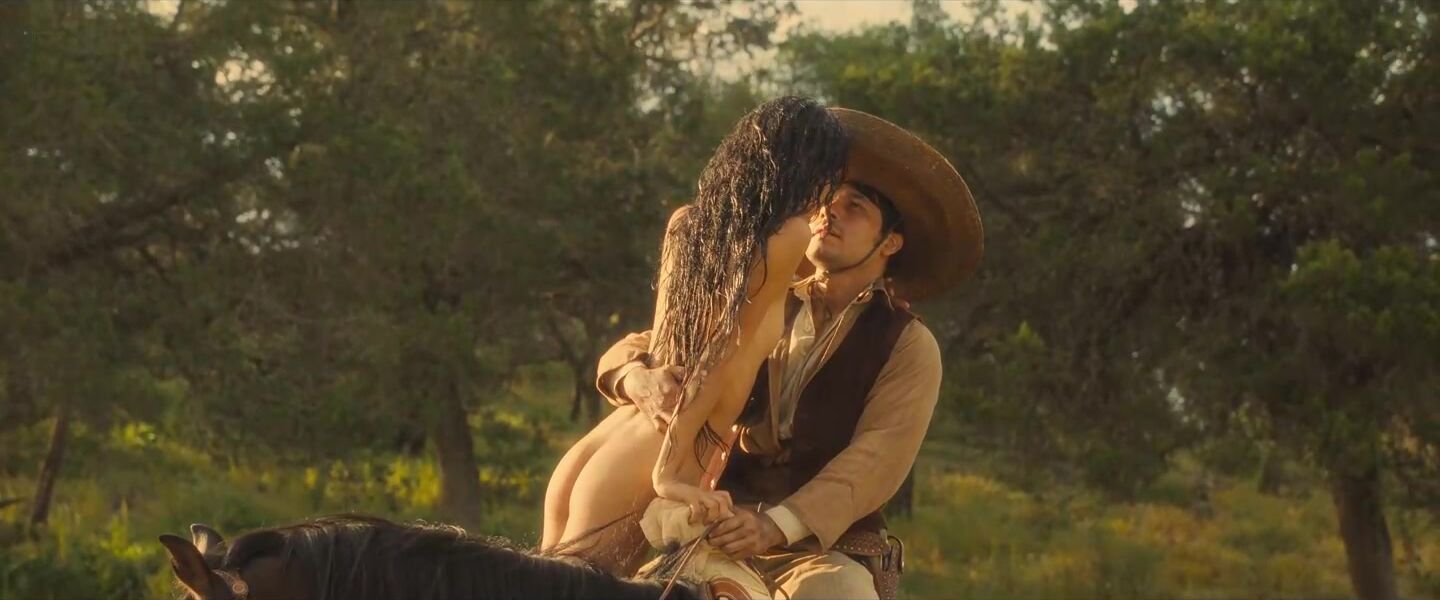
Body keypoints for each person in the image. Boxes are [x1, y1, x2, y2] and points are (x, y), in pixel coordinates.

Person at [594, 108, 983, 599]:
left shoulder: (907, 344)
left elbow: (874, 459)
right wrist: (633, 377)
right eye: (827, 202)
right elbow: (653, 342)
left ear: (890, 242)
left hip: (824, 550)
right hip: (716, 529)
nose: (828, 214)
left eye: (855, 207)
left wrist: (776, 525)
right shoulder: (769, 295)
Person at [540, 96, 852, 575]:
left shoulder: (687, 224)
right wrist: (668, 472)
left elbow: (664, 345)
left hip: (611, 438)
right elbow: (719, 354)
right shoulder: (785, 236)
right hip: (661, 451)